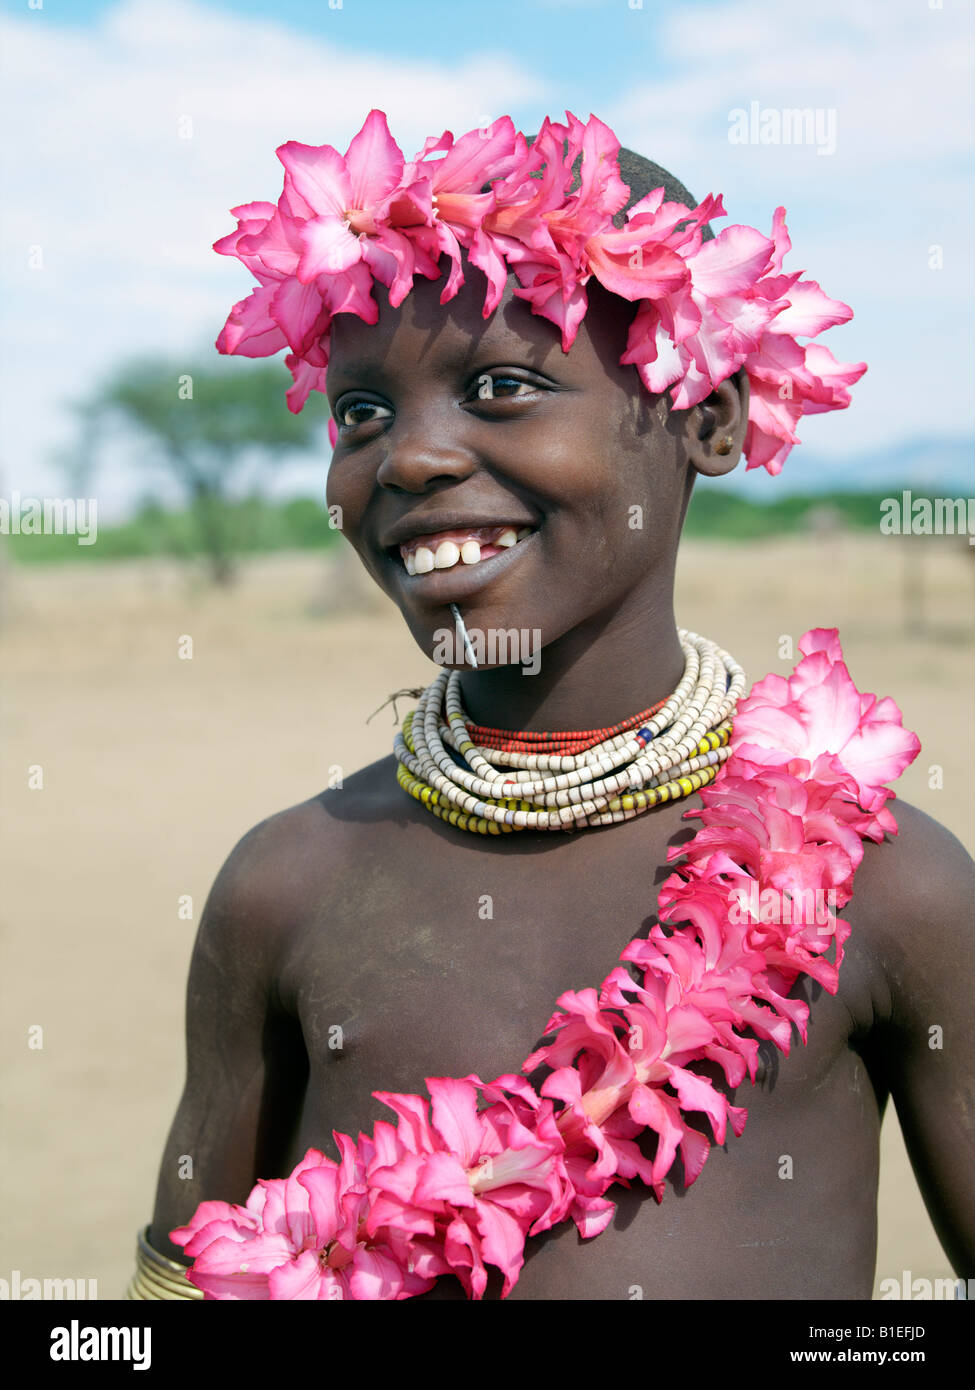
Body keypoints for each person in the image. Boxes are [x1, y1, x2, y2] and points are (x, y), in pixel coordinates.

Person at [127, 111, 975, 1301]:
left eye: (505, 385)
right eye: (361, 413)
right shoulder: (285, 885)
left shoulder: (883, 891)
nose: (410, 459)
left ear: (711, 418)